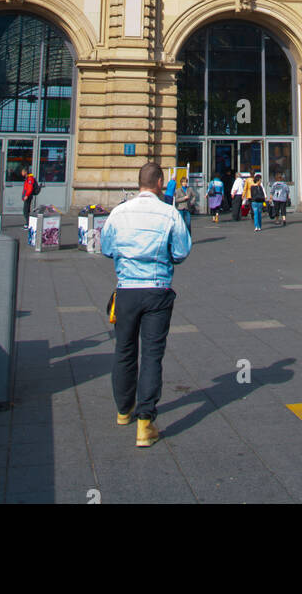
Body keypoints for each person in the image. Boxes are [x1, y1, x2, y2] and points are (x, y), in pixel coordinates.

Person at [100, 162, 192, 448]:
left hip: (126, 291)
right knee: (152, 355)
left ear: (139, 182)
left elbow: (106, 248)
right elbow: (181, 252)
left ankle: (123, 410)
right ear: (160, 182)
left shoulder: (118, 212)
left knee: (124, 351)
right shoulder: (170, 214)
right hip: (156, 292)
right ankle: (145, 423)